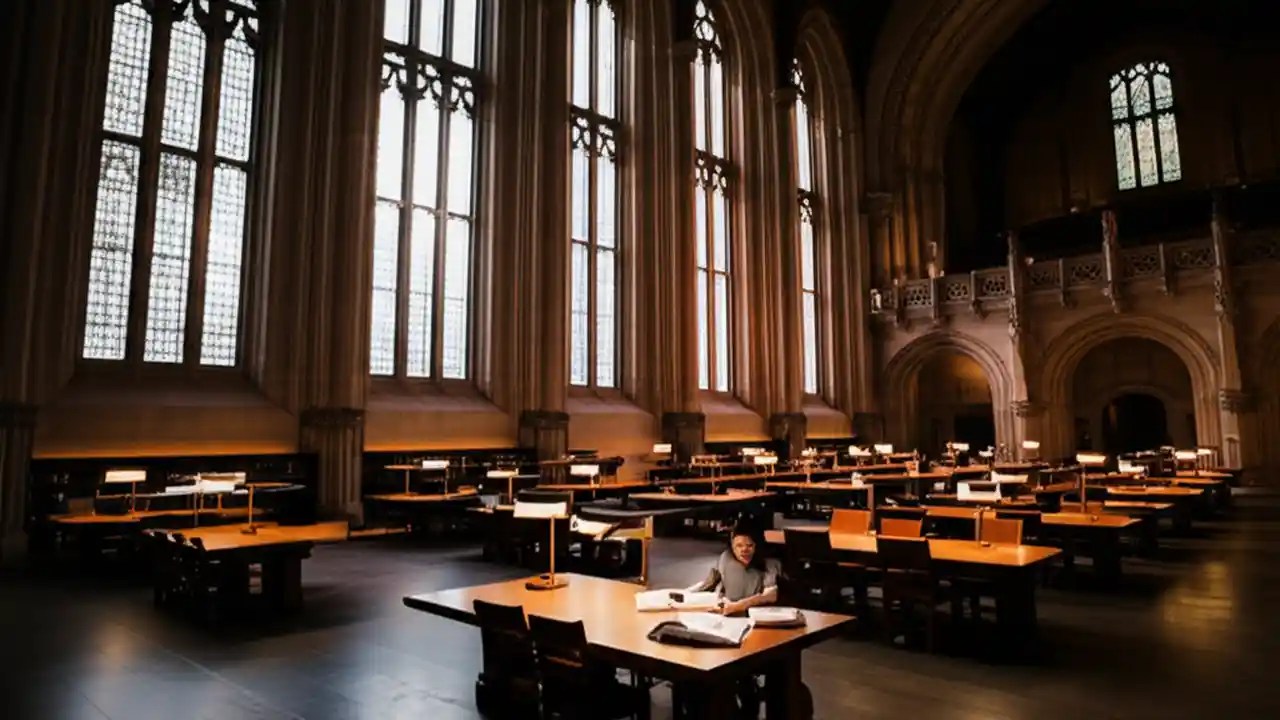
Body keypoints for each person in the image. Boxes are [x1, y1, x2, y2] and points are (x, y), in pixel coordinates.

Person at [686, 523, 781, 615]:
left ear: (757, 546)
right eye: (739, 546)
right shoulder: (725, 558)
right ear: (732, 547)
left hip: (758, 615)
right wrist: (686, 594)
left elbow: (771, 595)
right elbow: (709, 583)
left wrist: (738, 606)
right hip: (728, 613)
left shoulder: (769, 563)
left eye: (749, 545)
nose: (744, 550)